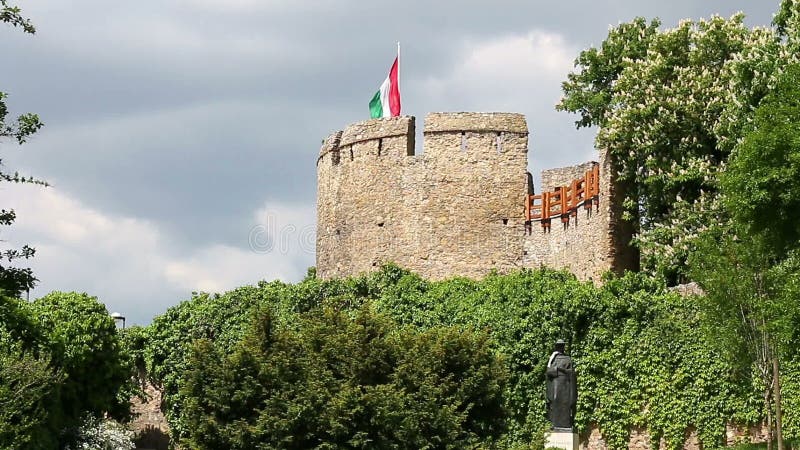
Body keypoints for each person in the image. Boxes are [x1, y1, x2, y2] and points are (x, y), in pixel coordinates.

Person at [545, 339, 577, 430]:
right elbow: (549, 372)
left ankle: (565, 425)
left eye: (561, 345)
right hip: (555, 384)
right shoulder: (553, 359)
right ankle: (555, 424)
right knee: (555, 401)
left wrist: (562, 370)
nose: (560, 347)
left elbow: (571, 373)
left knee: (565, 404)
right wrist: (556, 369)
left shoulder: (567, 359)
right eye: (558, 346)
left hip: (565, 384)